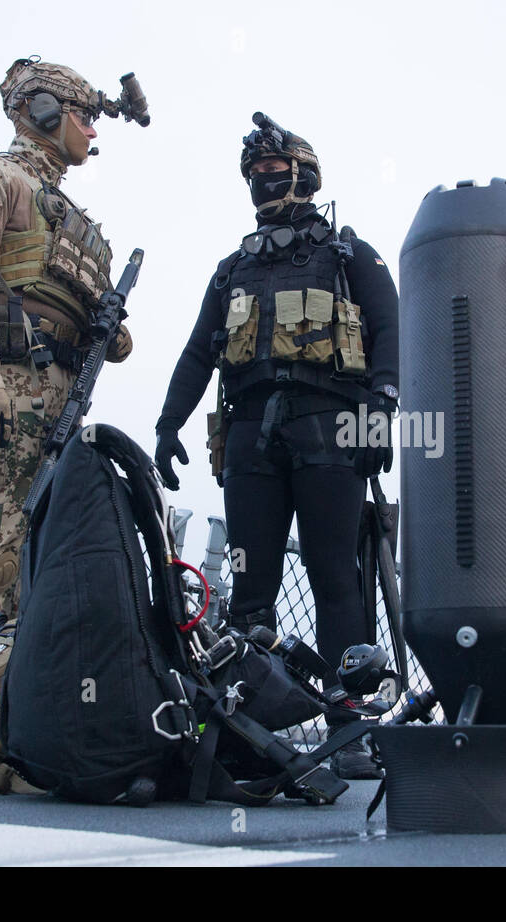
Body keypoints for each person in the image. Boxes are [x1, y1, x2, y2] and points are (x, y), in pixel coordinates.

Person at [154, 114, 398, 779]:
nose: (262, 186)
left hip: (329, 429)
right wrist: (168, 423)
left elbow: (388, 329)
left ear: (305, 177)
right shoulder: (232, 268)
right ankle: (247, 726)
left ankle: (352, 728)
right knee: (250, 586)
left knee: (335, 579)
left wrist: (381, 412)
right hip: (250, 439)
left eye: (273, 173)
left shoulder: (351, 255)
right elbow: (199, 350)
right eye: (254, 176)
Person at [0, 57, 134, 632]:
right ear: (42, 112)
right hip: (10, 391)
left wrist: (110, 330)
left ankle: (3, 708)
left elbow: (94, 323)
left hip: (62, 401)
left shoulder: (78, 223)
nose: (92, 131)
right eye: (83, 117)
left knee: (38, 569)